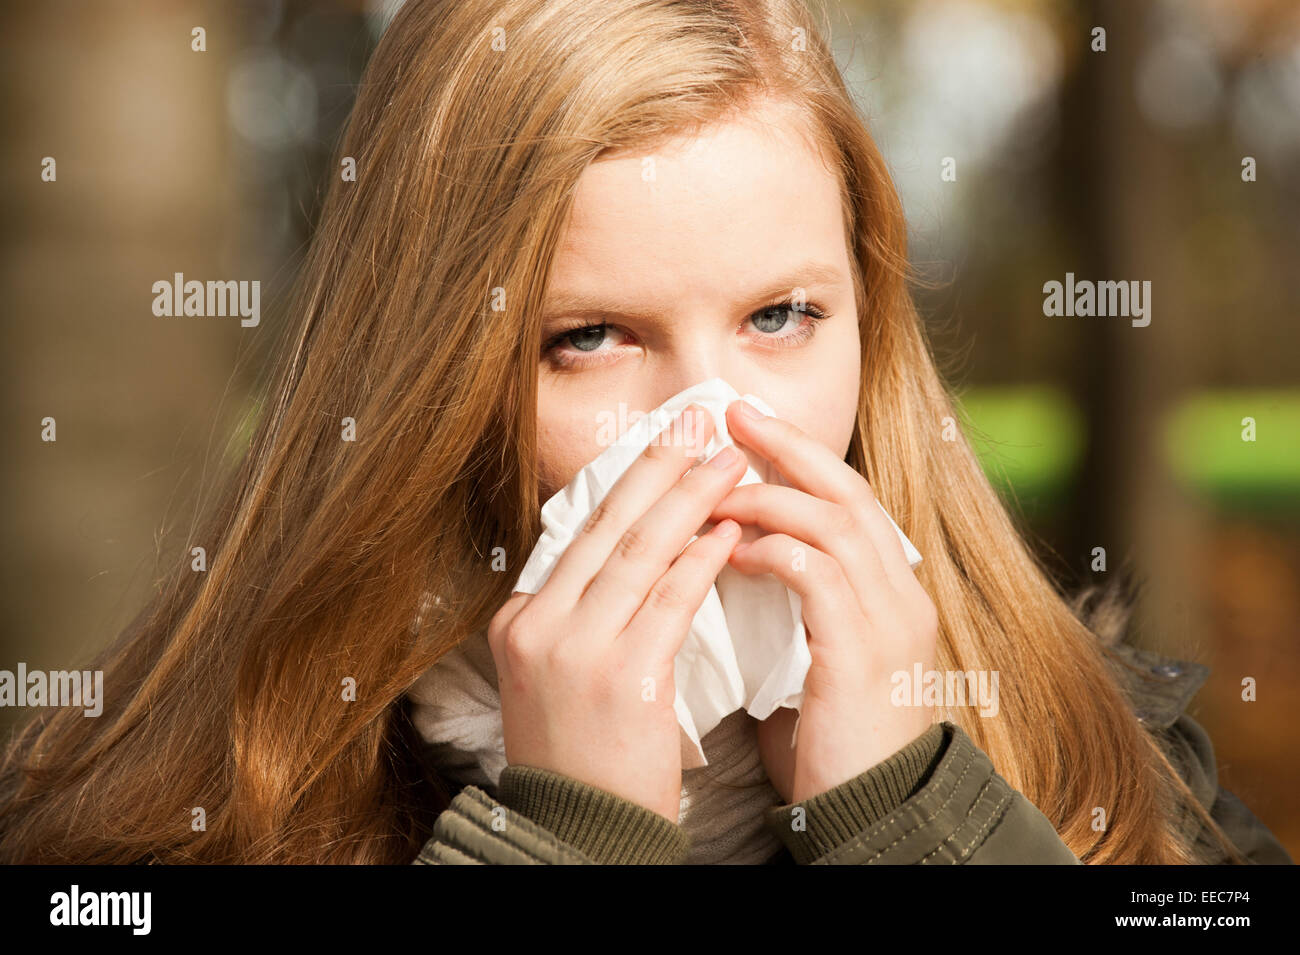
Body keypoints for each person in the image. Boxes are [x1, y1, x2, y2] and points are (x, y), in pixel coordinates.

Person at [0, 0, 1290, 866]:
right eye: (592, 339)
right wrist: (566, 832)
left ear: (870, 319)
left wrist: (907, 811)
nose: (718, 437)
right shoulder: (179, 817)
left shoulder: (1111, 750)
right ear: (425, 382)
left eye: (782, 316)